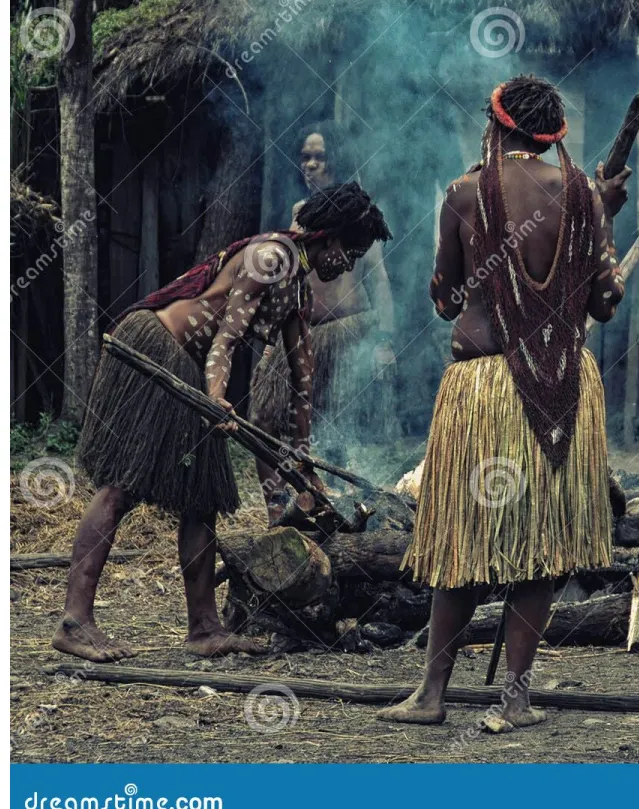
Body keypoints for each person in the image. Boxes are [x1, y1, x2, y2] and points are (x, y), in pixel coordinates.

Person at [378, 74, 630, 730]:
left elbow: (444, 300)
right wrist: (603, 219)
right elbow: (605, 301)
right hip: (561, 386)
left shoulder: (463, 193)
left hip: (483, 389)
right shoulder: (582, 195)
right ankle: (516, 700)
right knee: (540, 546)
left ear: (496, 126)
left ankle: (431, 695)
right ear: (550, 135)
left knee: (463, 542)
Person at [54, 183, 392, 663]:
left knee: (203, 498)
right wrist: (216, 400)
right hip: (159, 348)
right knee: (122, 488)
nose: (350, 266)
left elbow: (303, 376)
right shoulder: (270, 258)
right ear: (329, 236)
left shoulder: (297, 283)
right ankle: (74, 621)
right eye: (350, 253)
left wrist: (304, 467)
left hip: (190, 367)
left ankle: (204, 629)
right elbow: (226, 339)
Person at [249, 122, 397, 522]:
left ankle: (344, 510)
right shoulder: (300, 214)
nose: (310, 165)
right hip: (302, 332)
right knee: (263, 416)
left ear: (337, 161)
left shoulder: (359, 212)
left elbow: (379, 281)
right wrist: (271, 342)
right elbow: (287, 281)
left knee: (337, 429)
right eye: (305, 157)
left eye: (319, 157)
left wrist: (383, 342)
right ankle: (279, 509)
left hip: (350, 334)